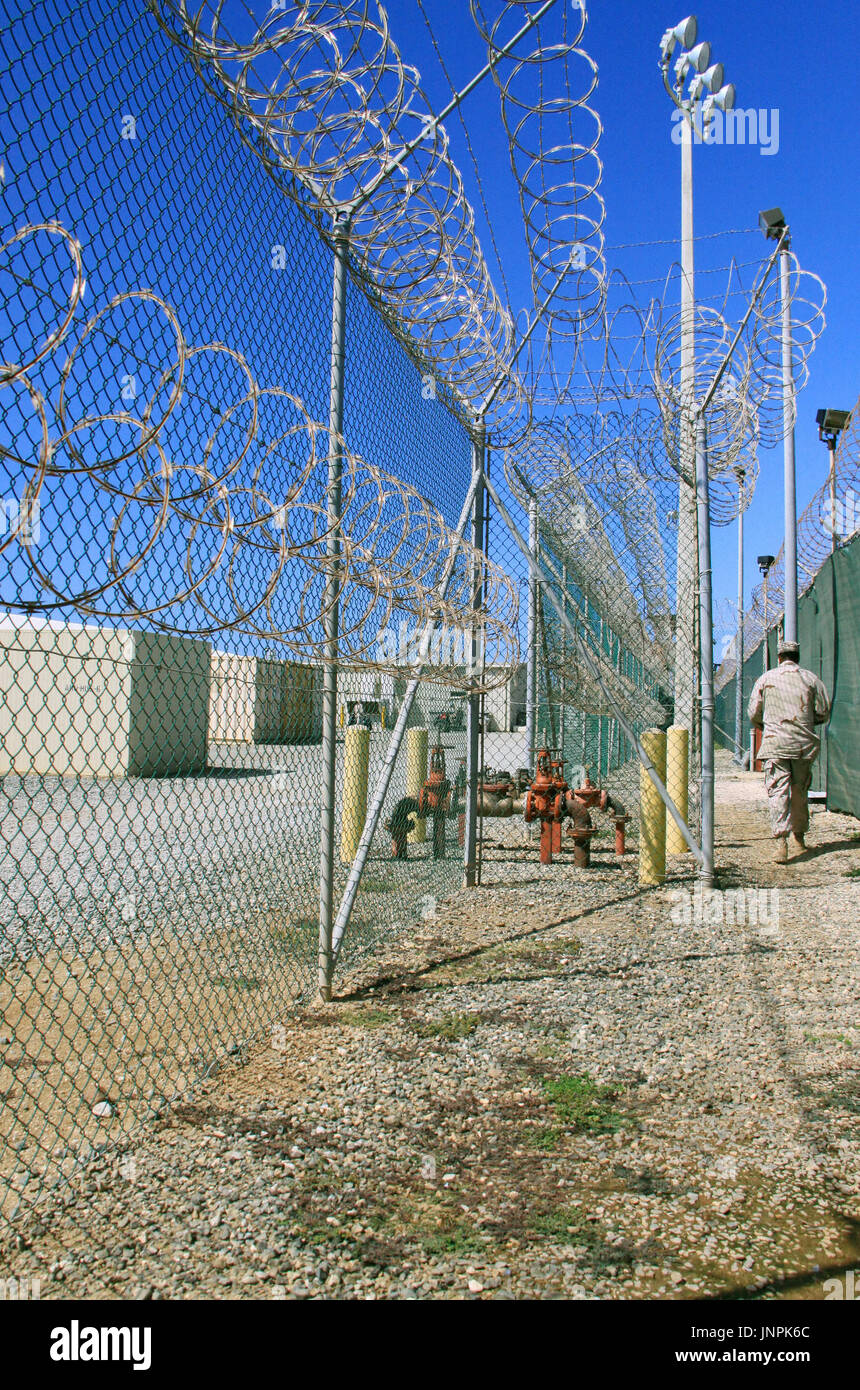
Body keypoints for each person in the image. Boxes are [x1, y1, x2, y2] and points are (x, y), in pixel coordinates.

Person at [747, 639, 831, 862]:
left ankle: (780, 842)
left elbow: (754, 712)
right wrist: (804, 723)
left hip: (775, 743)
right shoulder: (810, 679)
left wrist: (767, 725)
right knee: (800, 789)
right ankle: (799, 838)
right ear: (797, 657)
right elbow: (823, 711)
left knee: (778, 790)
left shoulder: (766, 679)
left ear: (779, 657)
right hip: (803, 744)